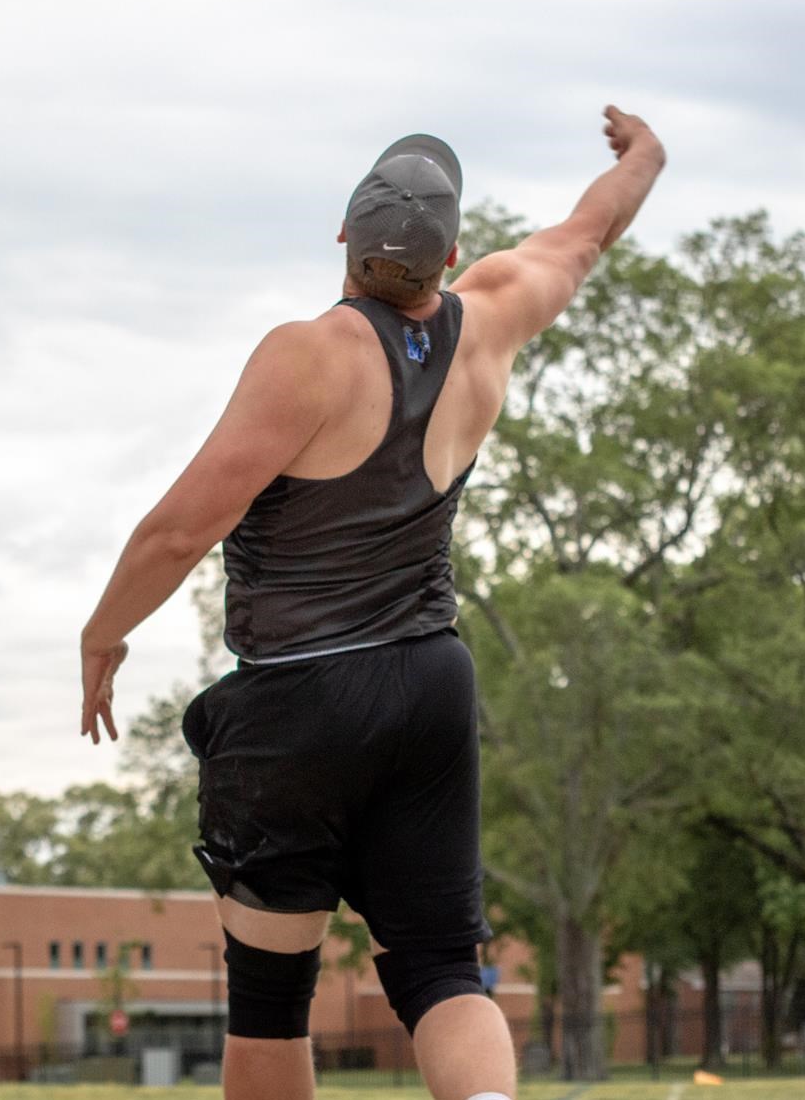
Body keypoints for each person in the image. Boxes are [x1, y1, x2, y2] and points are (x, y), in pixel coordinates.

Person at [79, 105, 664, 1100]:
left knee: (268, 994)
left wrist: (102, 634)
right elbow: (584, 235)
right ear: (452, 255)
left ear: (342, 236)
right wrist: (645, 157)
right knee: (440, 963)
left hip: (297, 703)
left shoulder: (308, 354)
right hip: (429, 685)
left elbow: (181, 528)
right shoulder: (490, 323)